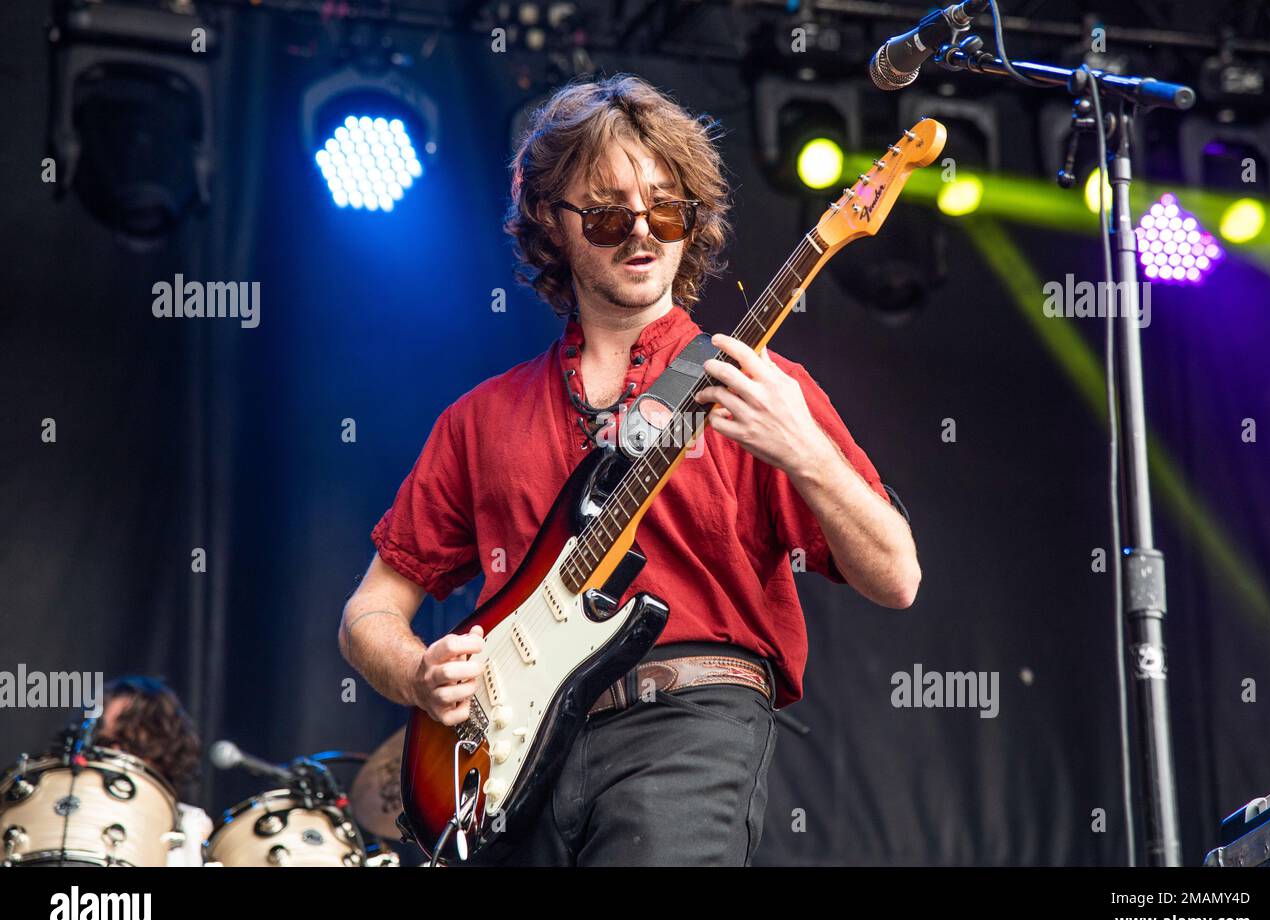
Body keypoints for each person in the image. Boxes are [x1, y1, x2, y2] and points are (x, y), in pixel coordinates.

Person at [339, 74, 920, 866]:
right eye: (610, 213)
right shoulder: (479, 420)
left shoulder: (757, 387)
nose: (643, 232)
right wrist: (417, 673)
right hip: (511, 762)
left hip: (685, 730)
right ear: (551, 221)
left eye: (667, 208)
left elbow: (897, 575)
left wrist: (806, 452)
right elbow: (367, 614)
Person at [93, 675, 211, 866]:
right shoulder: (82, 814)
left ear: (162, 742)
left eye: (126, 743)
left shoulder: (191, 826)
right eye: (104, 743)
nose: (113, 753)